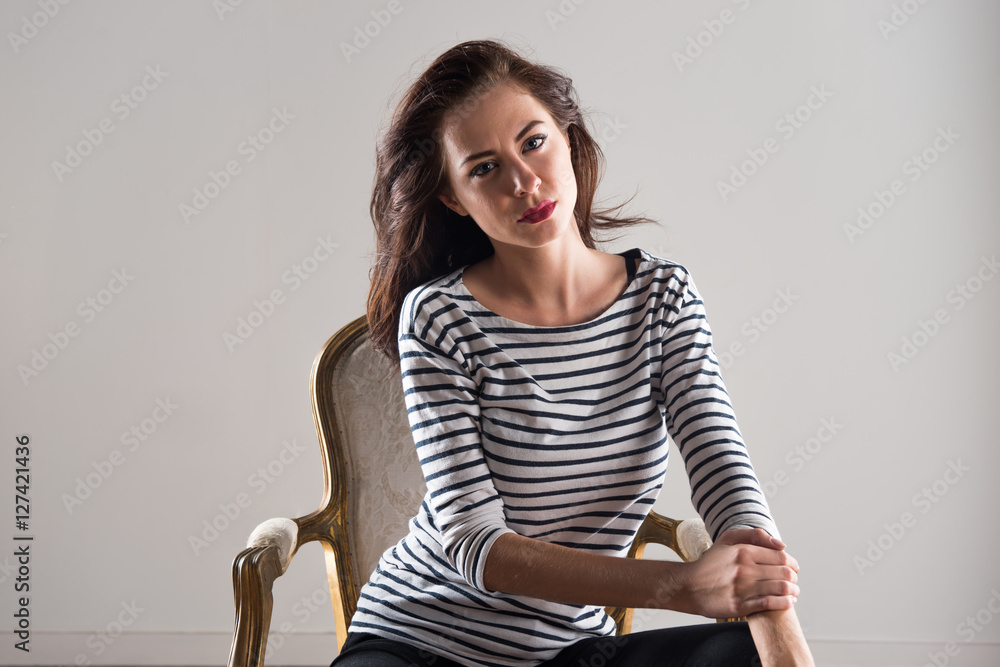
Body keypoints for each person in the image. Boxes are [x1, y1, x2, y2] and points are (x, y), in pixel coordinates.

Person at [334, 39, 814, 667]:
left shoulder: (662, 297)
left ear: (567, 137)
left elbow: (725, 472)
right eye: (484, 168)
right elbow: (476, 544)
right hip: (419, 642)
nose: (523, 181)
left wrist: (774, 619)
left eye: (533, 142)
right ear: (454, 197)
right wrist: (680, 588)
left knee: (738, 656)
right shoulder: (439, 317)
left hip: (565, 654)